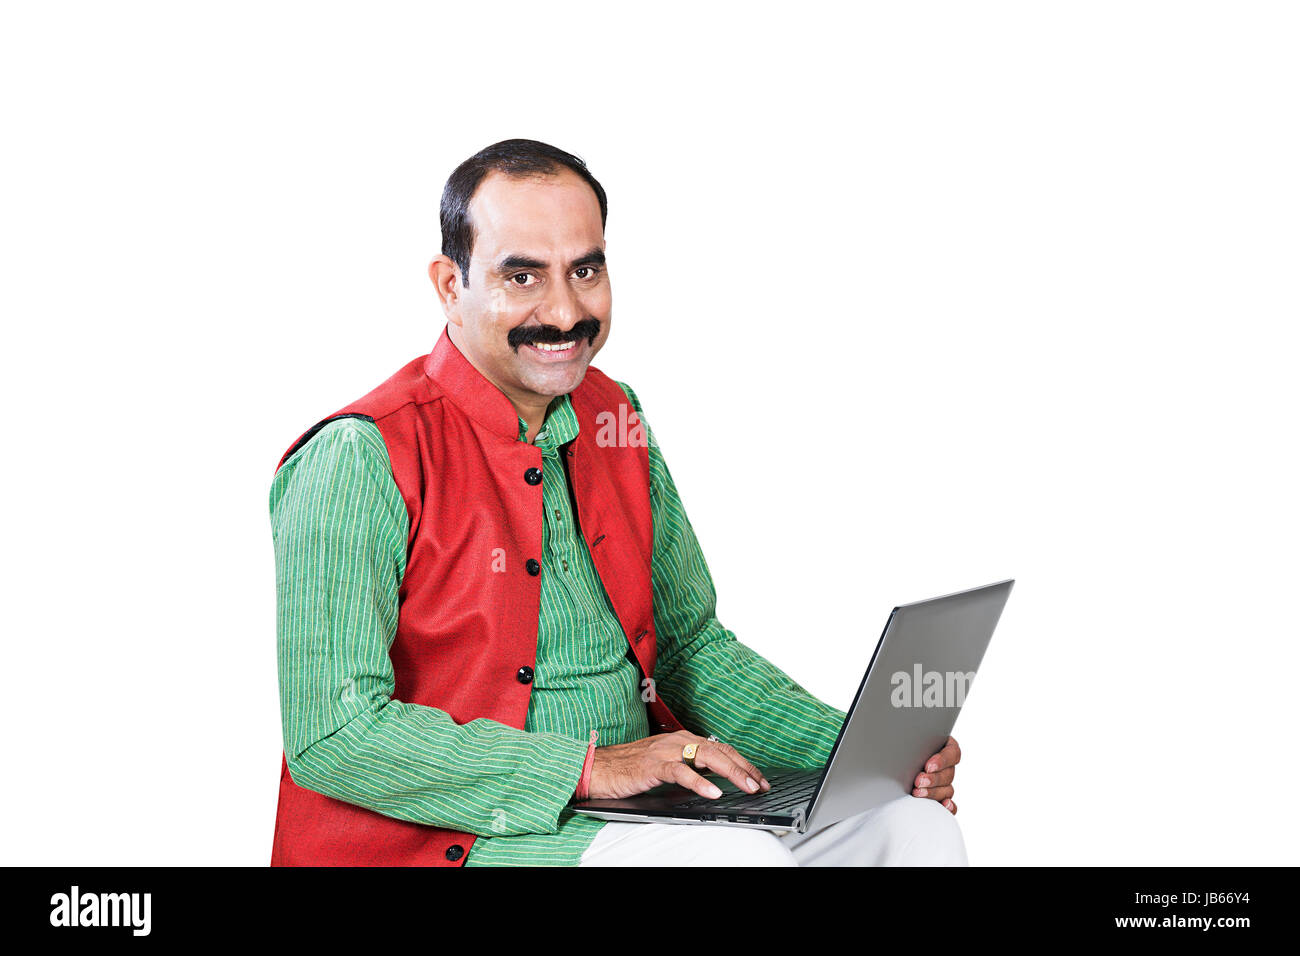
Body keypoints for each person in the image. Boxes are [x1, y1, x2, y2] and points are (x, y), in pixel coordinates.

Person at [268, 138, 968, 866]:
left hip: (643, 809)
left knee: (912, 826)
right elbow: (334, 735)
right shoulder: (358, 455)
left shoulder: (615, 416)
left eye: (585, 269)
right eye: (522, 276)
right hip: (458, 834)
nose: (565, 311)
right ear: (451, 284)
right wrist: (591, 768)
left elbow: (689, 648)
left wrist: (866, 754)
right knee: (735, 865)